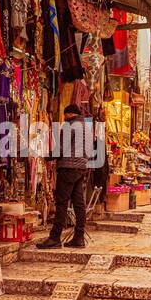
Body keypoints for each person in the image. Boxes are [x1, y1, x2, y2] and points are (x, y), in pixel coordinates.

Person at [37, 103, 93, 248]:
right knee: (79, 204)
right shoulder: (87, 128)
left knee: (61, 203)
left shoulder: (70, 126)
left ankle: (55, 238)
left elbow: (61, 149)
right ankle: (79, 237)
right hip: (81, 168)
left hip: (68, 168)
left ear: (69, 114)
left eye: (65, 115)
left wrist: (47, 157)